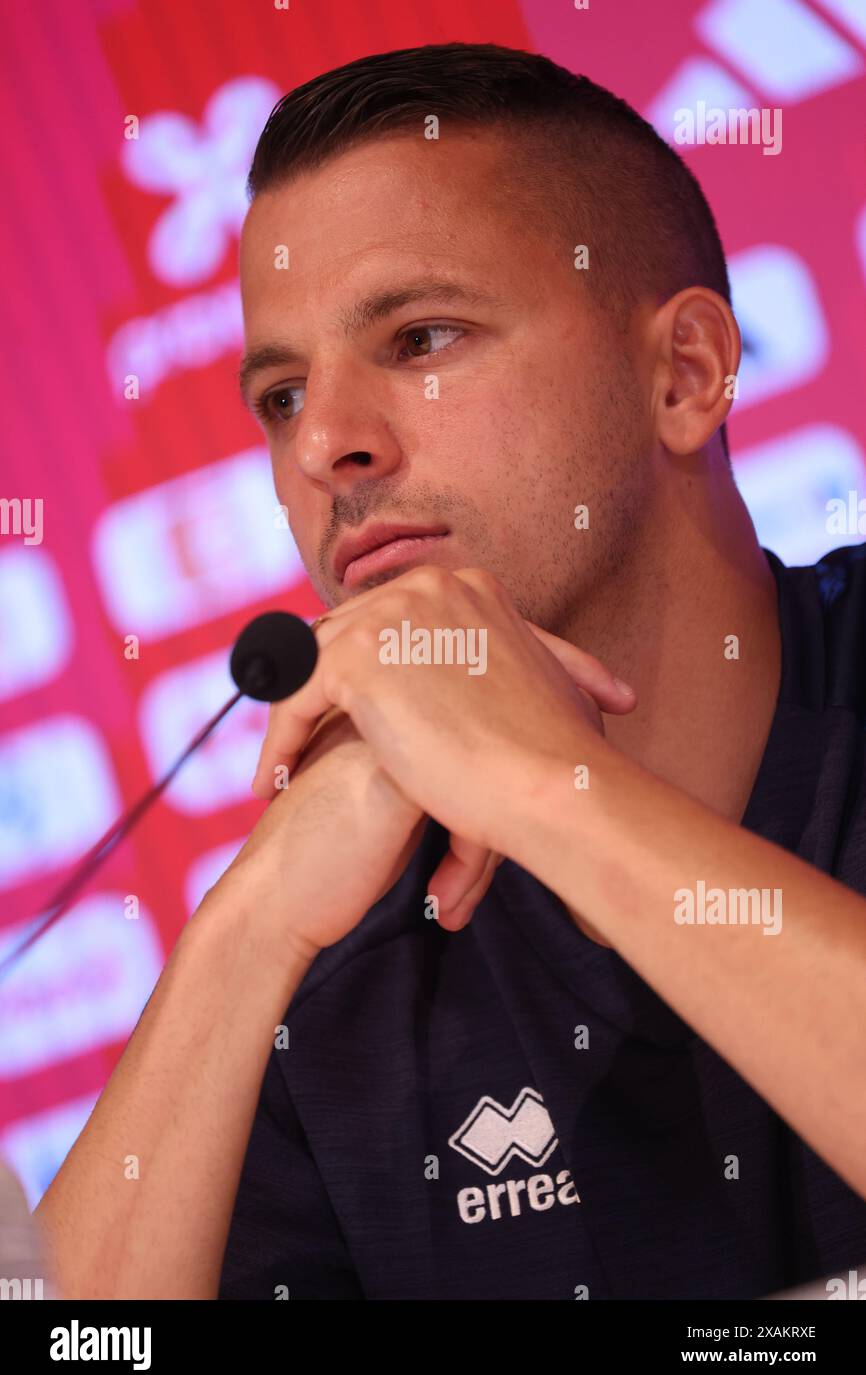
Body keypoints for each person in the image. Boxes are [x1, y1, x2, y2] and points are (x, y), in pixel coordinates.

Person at [36, 42, 866, 1301]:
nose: (324, 444)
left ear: (684, 373)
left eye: (422, 336)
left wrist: (549, 789)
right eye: (279, 396)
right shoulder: (328, 961)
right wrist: (241, 933)